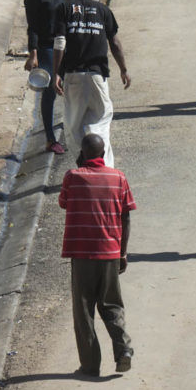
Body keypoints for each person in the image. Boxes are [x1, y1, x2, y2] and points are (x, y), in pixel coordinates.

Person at [59, 133, 136, 376]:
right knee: (111, 304)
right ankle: (123, 349)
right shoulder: (118, 178)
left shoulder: (72, 177)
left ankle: (90, 365)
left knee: (84, 311)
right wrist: (123, 252)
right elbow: (126, 216)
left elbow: (64, 203)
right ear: (104, 155)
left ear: (82, 154)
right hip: (111, 253)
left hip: (81, 254)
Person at [50, 0, 131, 163]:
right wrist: (124, 69)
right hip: (97, 76)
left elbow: (60, 42)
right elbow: (115, 43)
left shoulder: (64, 9)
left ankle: (84, 168)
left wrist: (55, 74)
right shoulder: (103, 10)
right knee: (101, 123)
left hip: (74, 76)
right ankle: (106, 170)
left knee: (74, 125)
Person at [23, 0, 72, 154]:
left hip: (66, 47)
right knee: (50, 92)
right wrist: (33, 54)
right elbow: (32, 27)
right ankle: (50, 139)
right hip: (46, 48)